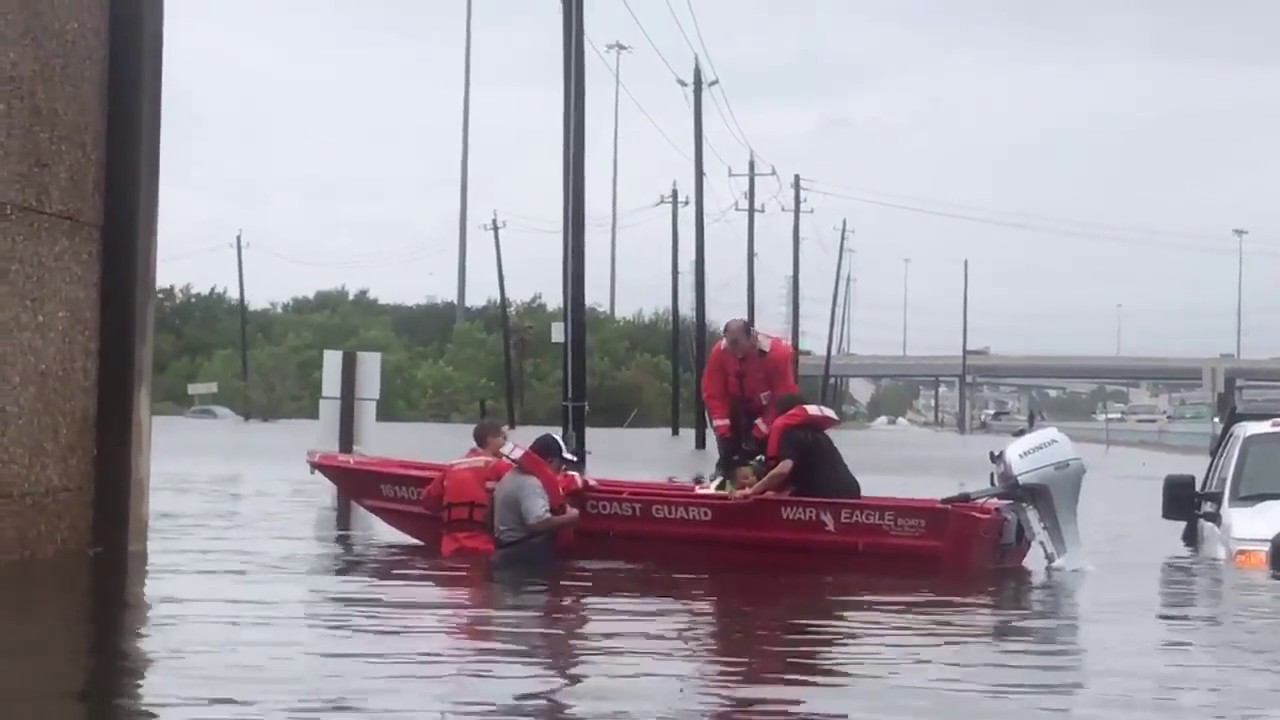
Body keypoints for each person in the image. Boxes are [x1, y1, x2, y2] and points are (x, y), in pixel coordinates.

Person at [702, 318, 799, 478]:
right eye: (729, 342)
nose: (732, 350)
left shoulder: (778, 355)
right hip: (737, 406)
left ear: (751, 337)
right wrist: (723, 432)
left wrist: (757, 434)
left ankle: (766, 473)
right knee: (728, 447)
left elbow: (782, 399)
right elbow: (714, 394)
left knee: (768, 444)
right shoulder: (720, 352)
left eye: (737, 343)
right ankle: (726, 469)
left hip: (768, 409)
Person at [733, 392, 861, 500]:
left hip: (828, 498)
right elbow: (806, 475)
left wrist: (752, 492)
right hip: (851, 493)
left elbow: (783, 470)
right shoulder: (819, 434)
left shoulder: (790, 434)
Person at [490, 432, 582, 568]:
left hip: (504, 552)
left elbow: (488, 516)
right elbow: (536, 524)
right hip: (522, 558)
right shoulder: (531, 483)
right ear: (550, 460)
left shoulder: (510, 476)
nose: (562, 469)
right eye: (560, 464)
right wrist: (571, 517)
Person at [422, 421, 513, 557]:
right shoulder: (499, 466)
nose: (505, 443)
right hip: (483, 544)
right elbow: (522, 489)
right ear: (490, 439)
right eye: (502, 438)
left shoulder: (452, 466)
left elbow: (428, 501)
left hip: (450, 546)